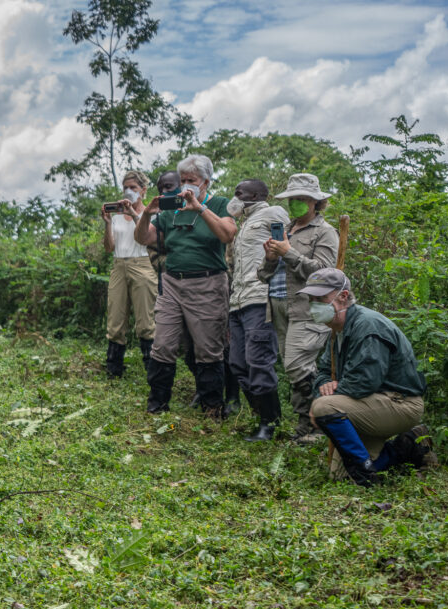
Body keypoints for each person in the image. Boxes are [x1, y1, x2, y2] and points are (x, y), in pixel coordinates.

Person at [301, 268, 435, 486]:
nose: (314, 304)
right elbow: (324, 371)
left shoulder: (367, 325)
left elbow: (364, 381)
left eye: (320, 298)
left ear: (343, 297)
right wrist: (324, 385)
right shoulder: (337, 330)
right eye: (311, 298)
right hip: (367, 404)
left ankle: (365, 475)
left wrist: (322, 400)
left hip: (398, 403)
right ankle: (410, 445)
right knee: (340, 478)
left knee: (325, 408)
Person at [134, 155, 237, 417]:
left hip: (208, 284)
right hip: (172, 283)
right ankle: (157, 404)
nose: (185, 185)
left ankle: (212, 406)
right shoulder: (172, 209)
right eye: (183, 181)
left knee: (208, 347)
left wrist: (199, 208)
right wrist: (147, 213)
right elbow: (143, 237)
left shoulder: (221, 204)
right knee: (163, 343)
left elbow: (227, 234)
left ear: (206, 182)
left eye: (191, 180)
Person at [256, 173, 338, 443]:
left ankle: (324, 419)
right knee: (293, 368)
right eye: (293, 199)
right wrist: (270, 258)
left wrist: (289, 252)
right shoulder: (285, 229)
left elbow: (324, 274)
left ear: (316, 202)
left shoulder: (324, 232)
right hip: (278, 306)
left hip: (308, 309)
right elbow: (263, 275)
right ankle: (306, 426)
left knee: (296, 365)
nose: (297, 204)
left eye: (303, 199)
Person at [227, 179, 290, 441]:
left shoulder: (273, 214)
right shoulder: (243, 225)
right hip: (238, 301)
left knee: (258, 362)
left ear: (256, 195)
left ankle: (270, 424)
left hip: (259, 298)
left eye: (239, 193)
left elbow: (286, 248)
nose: (235, 197)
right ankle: (262, 414)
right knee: (237, 363)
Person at [101, 170, 158, 377]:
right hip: (119, 264)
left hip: (143, 264)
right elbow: (109, 248)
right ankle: (113, 369)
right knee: (115, 320)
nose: (128, 191)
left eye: (133, 187)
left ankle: (152, 369)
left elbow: (148, 237)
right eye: (126, 187)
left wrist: (135, 214)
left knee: (146, 322)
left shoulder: (151, 213)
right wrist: (107, 224)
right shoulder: (116, 218)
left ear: (143, 190)